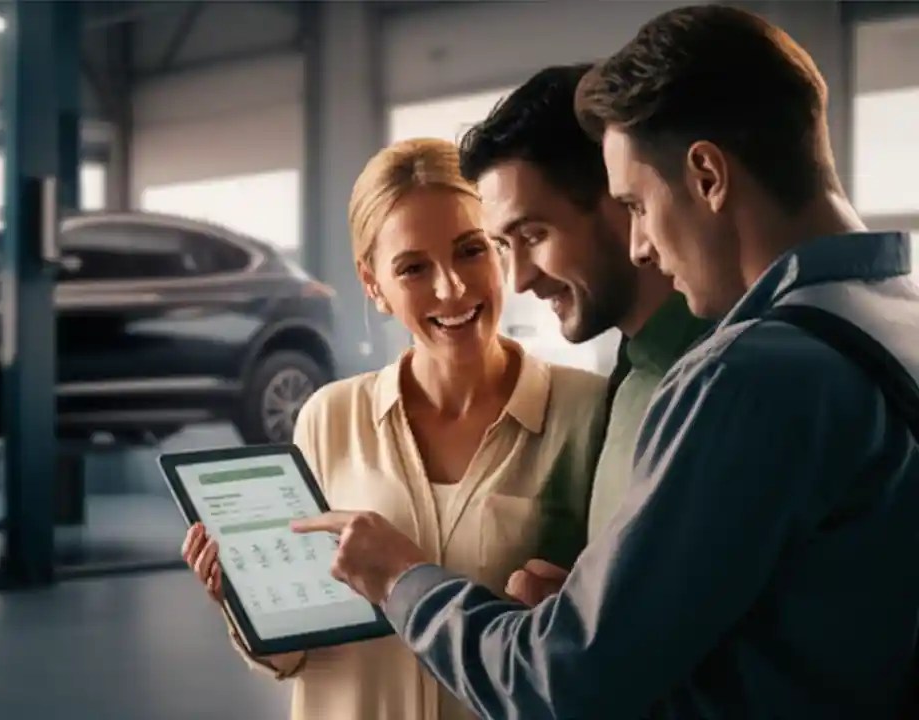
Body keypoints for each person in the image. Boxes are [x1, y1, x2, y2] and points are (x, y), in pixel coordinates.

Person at [292, 5, 919, 718]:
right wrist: (606, 616)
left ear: (707, 175)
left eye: (636, 205)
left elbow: (561, 682)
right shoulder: (893, 319)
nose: (640, 243)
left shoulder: (745, 374)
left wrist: (403, 579)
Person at [180, 137, 610, 720]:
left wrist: (573, 617)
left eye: (470, 251)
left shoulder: (587, 411)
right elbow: (294, 655)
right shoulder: (329, 418)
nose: (451, 288)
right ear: (374, 285)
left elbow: (610, 644)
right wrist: (243, 599)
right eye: (413, 268)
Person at [453, 63, 714, 606]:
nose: (518, 279)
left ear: (622, 199)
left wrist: (402, 582)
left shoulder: (716, 379)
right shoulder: (630, 376)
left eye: (534, 234)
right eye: (502, 246)